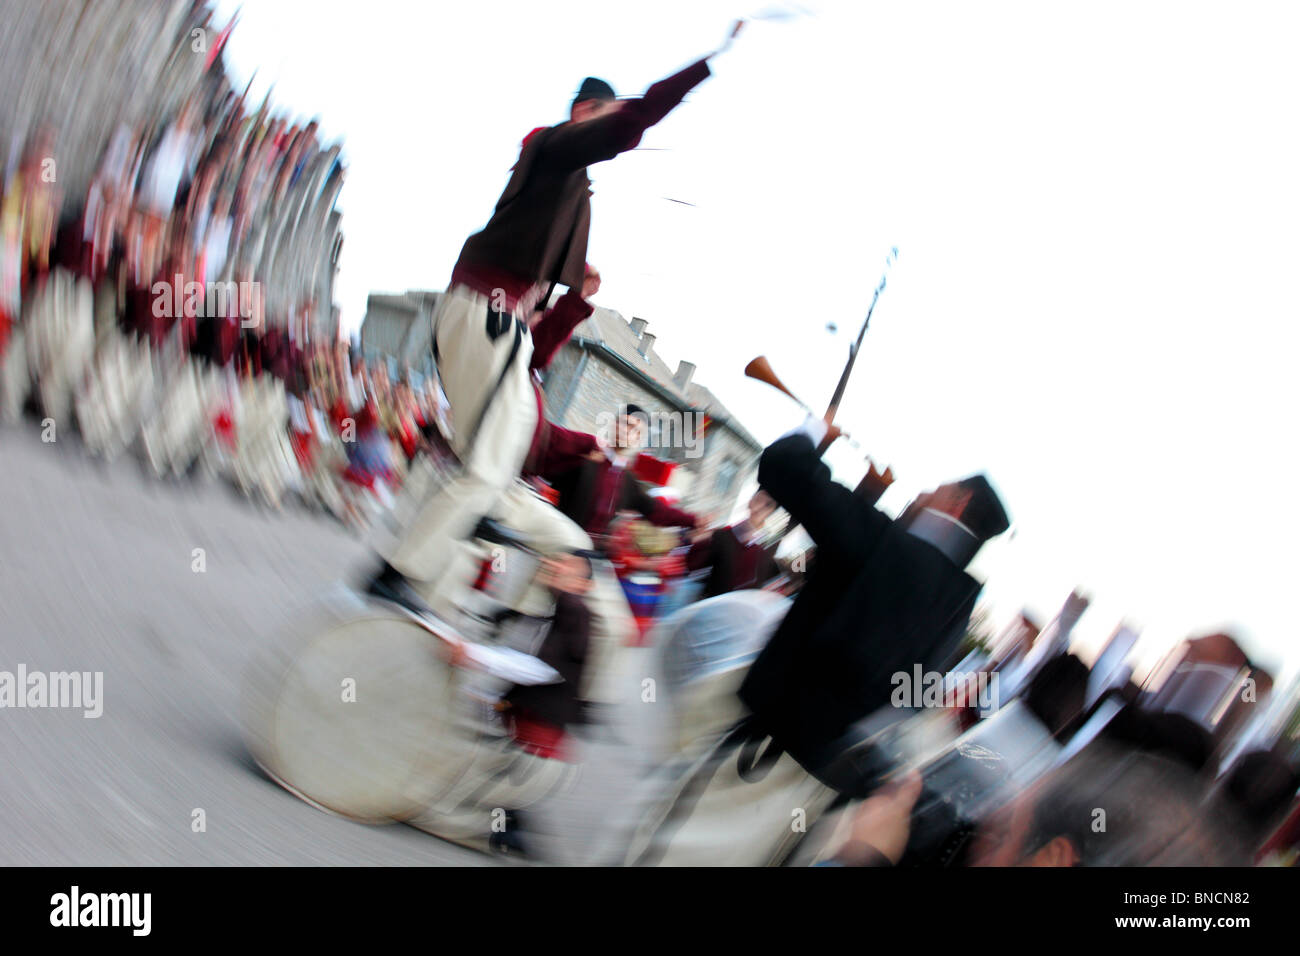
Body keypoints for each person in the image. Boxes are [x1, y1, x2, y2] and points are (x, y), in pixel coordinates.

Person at [371, 23, 743, 612]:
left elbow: (537, 352)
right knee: (490, 468)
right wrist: (703, 67)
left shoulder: (560, 189)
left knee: (510, 467)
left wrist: (574, 299)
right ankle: (399, 573)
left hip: (500, 328)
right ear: (583, 112)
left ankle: (500, 578)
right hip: (486, 315)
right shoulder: (556, 146)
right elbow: (626, 126)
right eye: (603, 117)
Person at [738, 417, 1011, 795]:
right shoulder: (958, 606)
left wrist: (815, 431)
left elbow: (785, 467)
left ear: (958, 502)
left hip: (753, 748)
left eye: (938, 490)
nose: (926, 494)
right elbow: (907, 694)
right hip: (824, 783)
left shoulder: (884, 543)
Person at [686, 489, 780, 599]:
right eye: (759, 500)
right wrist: (701, 539)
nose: (759, 508)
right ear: (750, 502)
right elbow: (692, 564)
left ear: (771, 513)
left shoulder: (766, 554)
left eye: (768, 505)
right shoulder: (723, 535)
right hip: (710, 605)